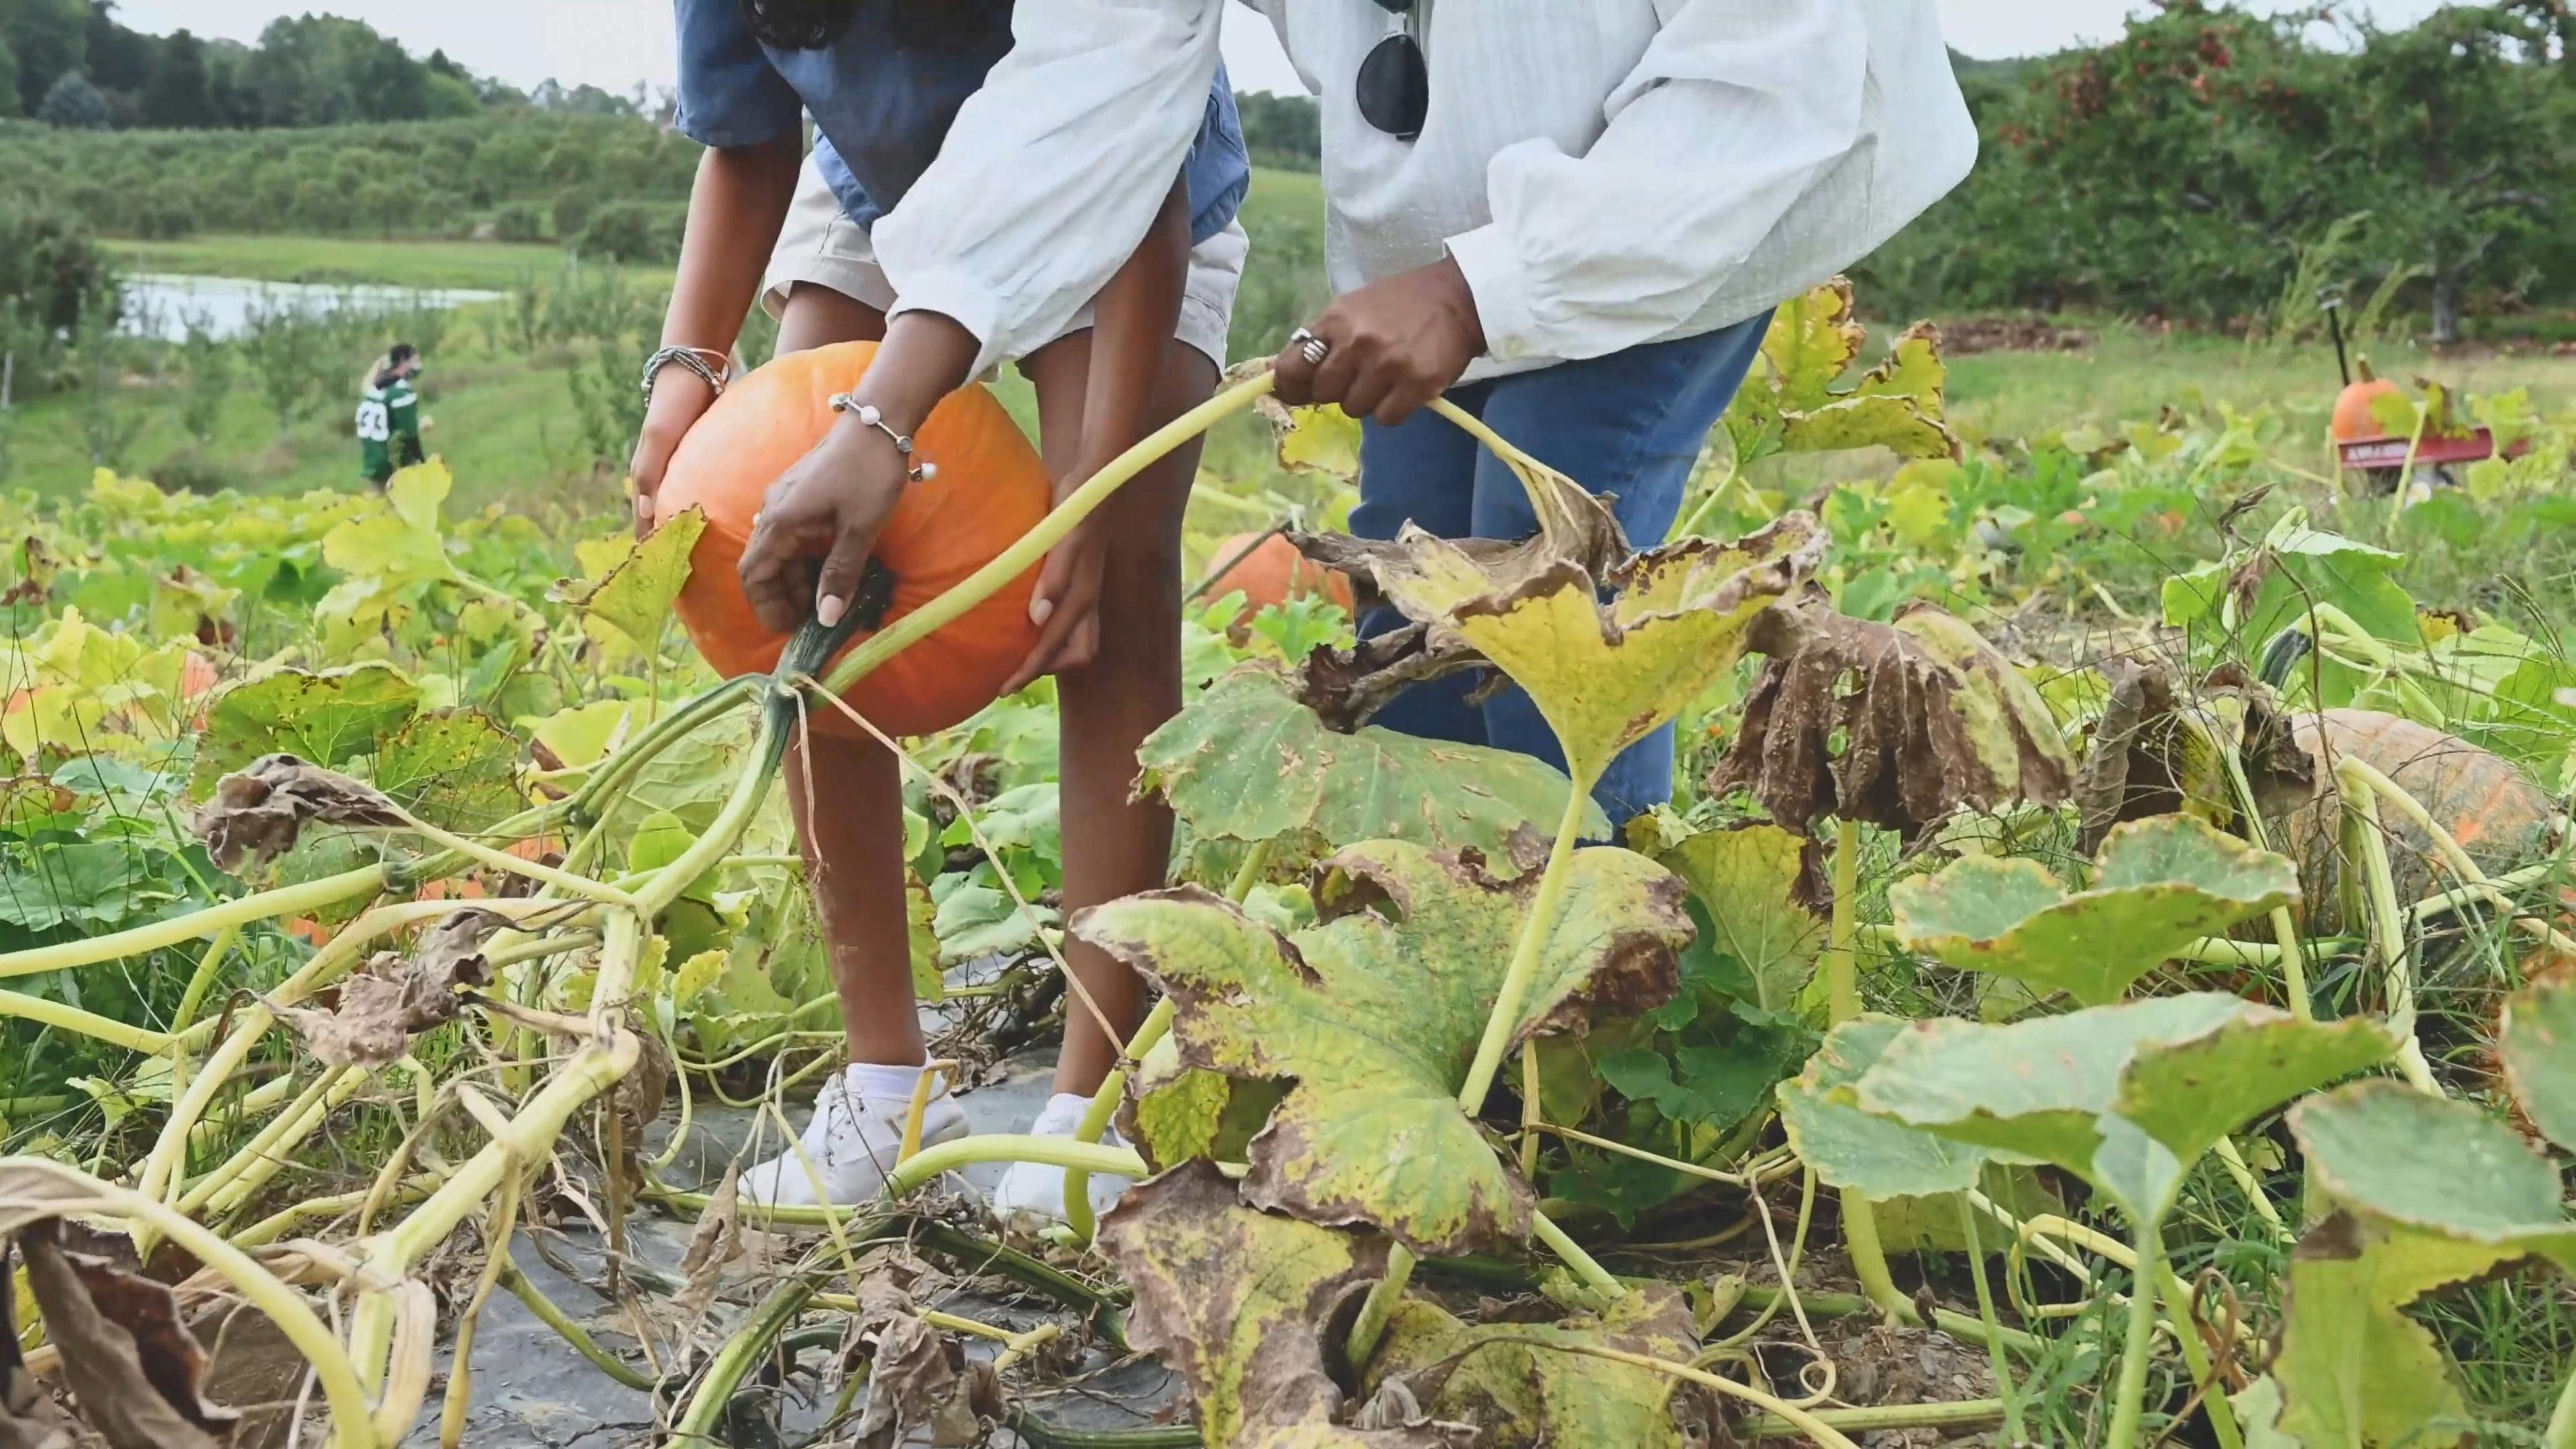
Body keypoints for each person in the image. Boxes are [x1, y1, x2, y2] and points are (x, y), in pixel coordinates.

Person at [739, 0, 1977, 827]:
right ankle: (1451, 981)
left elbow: (1764, 80)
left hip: (1686, 183)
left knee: (1542, 607)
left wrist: (1474, 293)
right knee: (1417, 601)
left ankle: (1593, 1021)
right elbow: (1088, 81)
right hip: (1438, 213)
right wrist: (884, 412)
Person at [635, 0, 1249, 1222]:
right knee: (795, 566)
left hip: (1117, 177)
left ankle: (1093, 1106)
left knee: (1108, 594)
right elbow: (750, 140)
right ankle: (882, 1087)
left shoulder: (1106, 94)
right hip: (875, 190)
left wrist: (1087, 489)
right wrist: (685, 370)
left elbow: (1122, 152)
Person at [355, 343, 425, 487]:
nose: (419, 366)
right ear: (403, 361)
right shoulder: (401, 392)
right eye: (416, 361)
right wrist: (421, 465)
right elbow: (408, 436)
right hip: (393, 467)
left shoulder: (373, 391)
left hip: (372, 464)